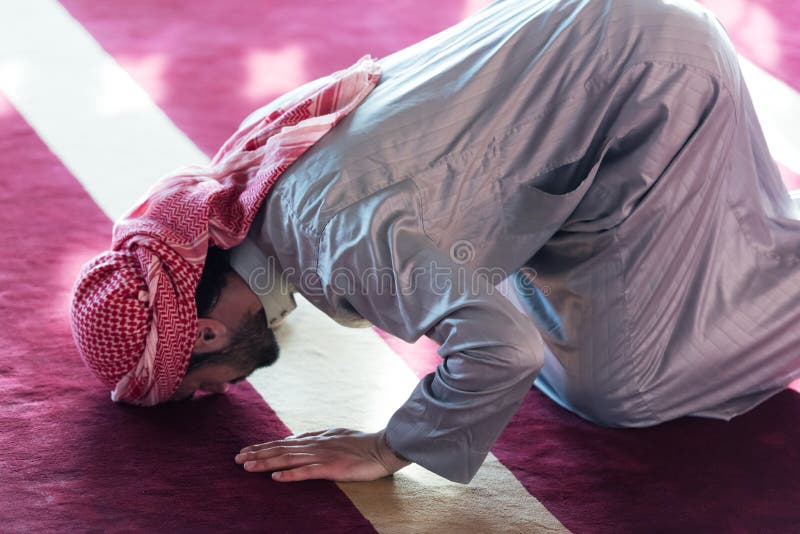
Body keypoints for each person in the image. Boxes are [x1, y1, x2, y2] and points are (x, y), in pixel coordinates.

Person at [71, 0, 800, 485]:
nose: (221, 393)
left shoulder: (340, 247)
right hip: (595, 41)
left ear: (204, 333)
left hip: (652, 83)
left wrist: (391, 446)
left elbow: (502, 352)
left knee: (621, 385)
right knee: (558, 323)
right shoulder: (253, 188)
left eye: (201, 385)